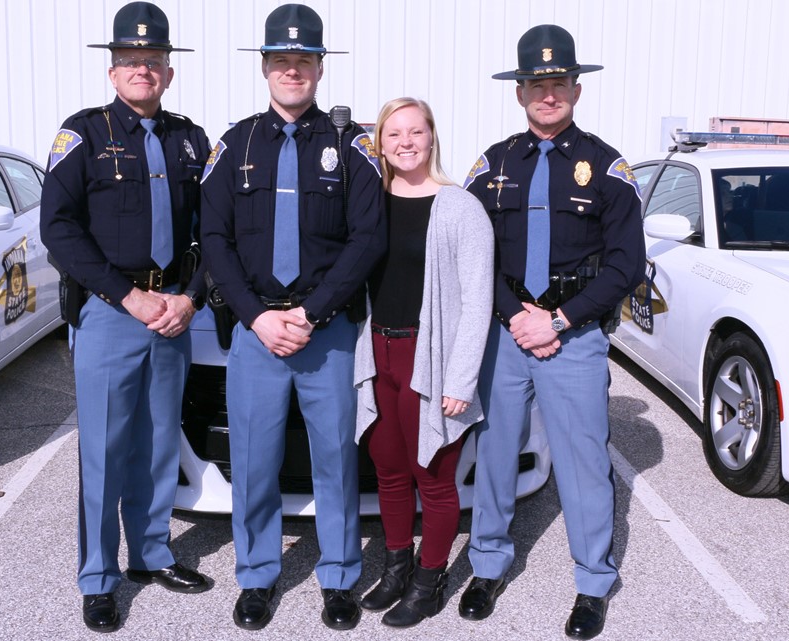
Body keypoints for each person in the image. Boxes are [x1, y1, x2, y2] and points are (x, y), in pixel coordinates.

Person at [199, 3, 386, 632]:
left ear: (320, 67)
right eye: (282, 60)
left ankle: (338, 576)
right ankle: (256, 576)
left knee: (335, 456)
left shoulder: (350, 143)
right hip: (256, 334)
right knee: (254, 460)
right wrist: (255, 317)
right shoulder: (235, 143)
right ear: (264, 67)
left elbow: (367, 238)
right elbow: (214, 238)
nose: (293, 70)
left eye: (304, 60)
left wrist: (309, 311)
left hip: (325, 333)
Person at [460, 25, 644, 640]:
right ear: (519, 92)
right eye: (536, 83)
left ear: (576, 88)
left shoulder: (608, 167)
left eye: (558, 81)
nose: (548, 93)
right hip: (508, 332)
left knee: (584, 462)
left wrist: (561, 319)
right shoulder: (493, 165)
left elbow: (625, 263)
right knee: (494, 455)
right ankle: (487, 565)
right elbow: (472, 251)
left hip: (576, 333)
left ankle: (593, 582)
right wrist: (515, 314)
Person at [39, 2, 212, 633]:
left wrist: (189, 296)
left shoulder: (191, 139)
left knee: (158, 441)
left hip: (173, 310)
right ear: (112, 72)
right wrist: (127, 296)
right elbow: (57, 229)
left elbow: (211, 230)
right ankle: (98, 576)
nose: (143, 69)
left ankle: (150, 553)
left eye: (154, 61)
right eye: (130, 61)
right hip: (112, 313)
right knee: (107, 450)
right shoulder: (82, 135)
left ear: (169, 71)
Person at [352, 97, 493, 628]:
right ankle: (396, 566)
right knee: (388, 470)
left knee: (431, 475)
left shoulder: (459, 206)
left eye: (416, 131)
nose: (405, 142)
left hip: (427, 358)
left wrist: (461, 378)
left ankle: (429, 580)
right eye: (394, 134)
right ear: (379, 143)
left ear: (432, 137)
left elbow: (478, 299)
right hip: (378, 353)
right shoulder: (368, 202)